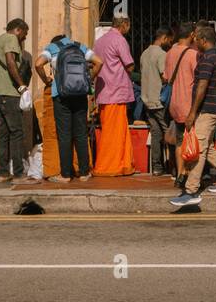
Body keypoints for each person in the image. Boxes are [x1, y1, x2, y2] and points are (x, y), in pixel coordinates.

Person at [170, 25, 216, 206]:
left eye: (196, 40)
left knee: (199, 150)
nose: (195, 43)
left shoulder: (206, 59)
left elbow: (201, 86)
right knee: (207, 147)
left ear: (202, 40)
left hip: (206, 110)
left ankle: (191, 190)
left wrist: (193, 112)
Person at [35, 33, 102, 182]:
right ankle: (84, 172)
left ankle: (65, 175)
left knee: (64, 135)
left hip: (61, 96)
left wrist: (46, 79)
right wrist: (89, 78)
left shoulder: (52, 47)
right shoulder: (80, 47)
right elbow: (99, 62)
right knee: (80, 133)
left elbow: (38, 63)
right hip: (80, 94)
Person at [91, 16, 137, 176]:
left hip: (103, 91)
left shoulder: (100, 41)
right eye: (128, 26)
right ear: (124, 25)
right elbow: (129, 65)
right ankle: (110, 165)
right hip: (116, 91)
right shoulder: (119, 40)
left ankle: (122, 163)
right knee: (115, 132)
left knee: (112, 129)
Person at [0, 18, 30, 182]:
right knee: (17, 132)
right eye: (24, 34)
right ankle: (18, 173)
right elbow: (11, 62)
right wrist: (22, 86)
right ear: (18, 30)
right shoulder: (11, 39)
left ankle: (3, 173)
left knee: (3, 133)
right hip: (9, 93)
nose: (24, 38)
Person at [164, 22, 199, 185]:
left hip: (174, 104)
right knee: (191, 140)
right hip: (188, 104)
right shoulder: (192, 54)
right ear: (191, 35)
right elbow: (199, 80)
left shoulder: (170, 52)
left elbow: (166, 77)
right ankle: (189, 173)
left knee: (179, 141)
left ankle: (179, 174)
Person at [138, 26, 174, 175]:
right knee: (169, 132)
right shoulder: (161, 54)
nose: (170, 44)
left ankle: (157, 167)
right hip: (159, 101)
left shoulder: (144, 54)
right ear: (164, 38)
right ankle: (174, 166)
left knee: (156, 132)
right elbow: (164, 76)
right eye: (169, 41)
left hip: (147, 100)